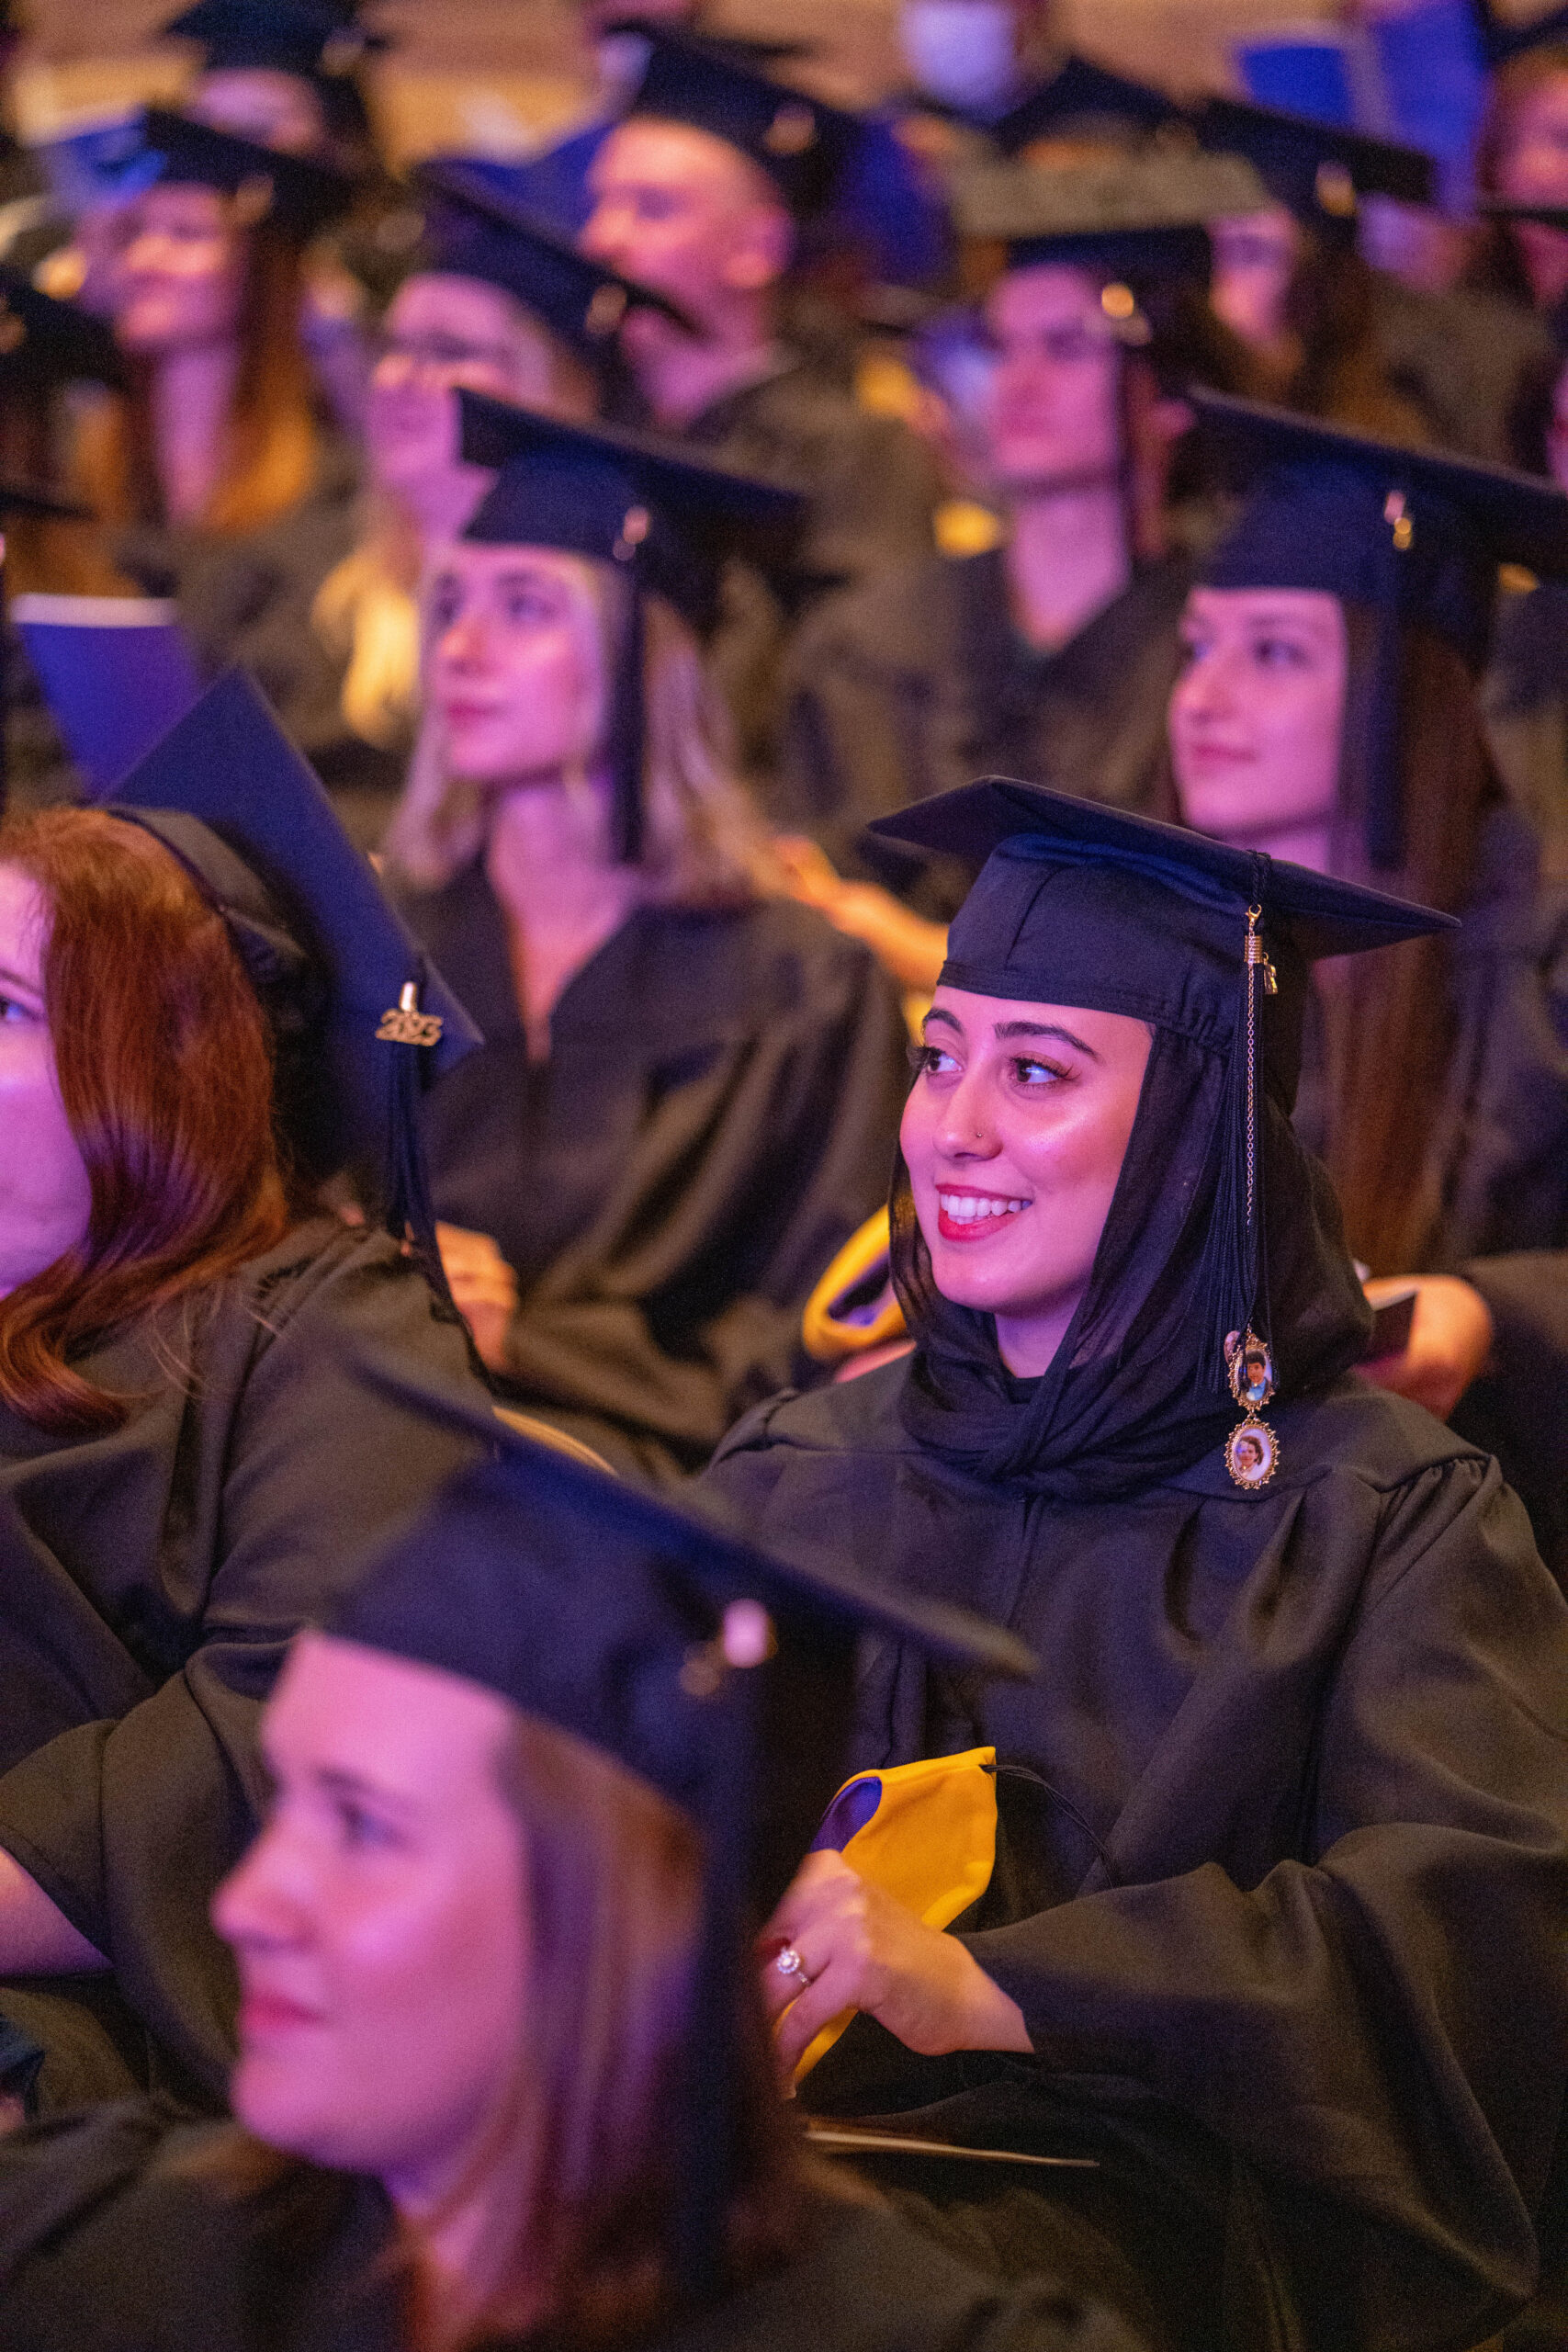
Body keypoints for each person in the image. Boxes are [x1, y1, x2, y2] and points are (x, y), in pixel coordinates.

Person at [698, 776, 1568, 2352]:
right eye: (937, 1053)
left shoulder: (1386, 1520)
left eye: (1036, 1071)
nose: (953, 1126)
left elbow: (1459, 1951)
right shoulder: (804, 1471)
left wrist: (1008, 1988)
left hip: (1163, 2241)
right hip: (767, 2178)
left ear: (1193, 1133)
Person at [0, 1423, 1146, 2352]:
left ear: (618, 1920)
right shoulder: (92, 2262)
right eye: (285, 1800)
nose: (246, 1902)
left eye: (363, 1825)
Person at [0, 668, 497, 2122]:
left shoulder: (328, 1332)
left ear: (165, 1066)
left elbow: (280, 1737)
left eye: (6, 1004)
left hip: (131, 2025)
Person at [388, 394, 909, 1484]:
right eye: (452, 605)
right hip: (380, 1442)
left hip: (674, 1497)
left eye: (527, 608)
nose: (464, 649)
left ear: (645, 659)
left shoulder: (800, 986)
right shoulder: (384, 943)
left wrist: (523, 1341)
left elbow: (826, 1330)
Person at [1167, 392, 1568, 1582]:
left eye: (1274, 651)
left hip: (1470, 1562)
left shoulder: (1537, 961)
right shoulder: (1165, 943)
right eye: (1195, 646)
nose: (1202, 695)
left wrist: (1490, 1314)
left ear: (1404, 690)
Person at [773, 152, 1261, 939]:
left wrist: (907, 948)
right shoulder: (871, 639)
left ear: (1169, 396)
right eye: (1002, 346)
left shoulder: (1223, 650)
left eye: (1066, 347)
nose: (1019, 382)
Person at [578, 27, 945, 773]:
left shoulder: (854, 455)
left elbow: (856, 717)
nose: (602, 239)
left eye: (652, 209)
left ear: (758, 249)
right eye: (601, 203)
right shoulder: (584, 423)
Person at [314, 159, 690, 845]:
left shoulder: (633, 601)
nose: (403, 377)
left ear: (557, 393)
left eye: (450, 350)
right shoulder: (306, 591)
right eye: (395, 346)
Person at [74, 107, 378, 827]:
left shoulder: (329, 493)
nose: (146, 259)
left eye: (186, 235)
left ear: (263, 274)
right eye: (140, 232)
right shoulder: (89, 471)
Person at [1198, 93, 1553, 463]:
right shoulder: (1172, 385)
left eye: (1249, 252)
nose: (1225, 288)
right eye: (1216, 252)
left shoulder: (1408, 400)